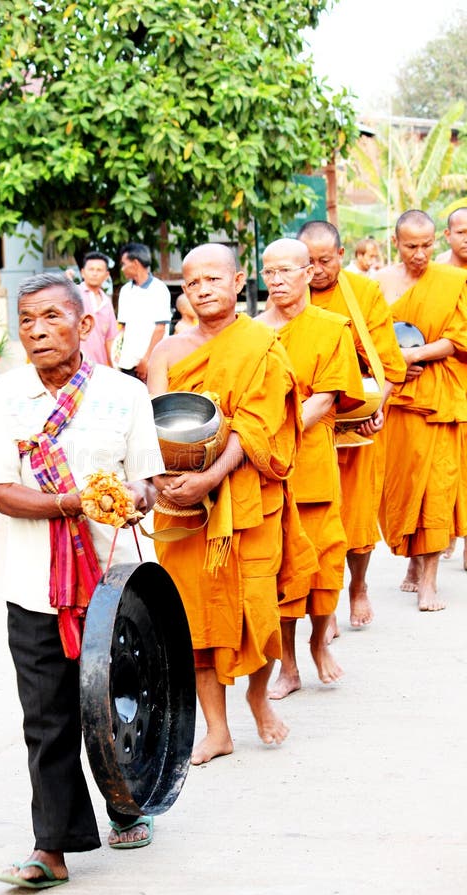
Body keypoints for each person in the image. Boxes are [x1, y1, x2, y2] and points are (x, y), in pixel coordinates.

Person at [0, 273, 164, 888]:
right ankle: (51, 848)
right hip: (36, 587)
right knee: (47, 717)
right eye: (27, 319)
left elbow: (149, 483)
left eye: (53, 317)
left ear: (85, 326)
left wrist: (132, 494)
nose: (37, 330)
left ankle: (128, 802)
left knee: (115, 701)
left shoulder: (123, 395)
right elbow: (2, 492)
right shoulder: (4, 397)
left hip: (111, 585)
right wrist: (69, 504)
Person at [147, 243, 316, 765]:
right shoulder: (168, 352)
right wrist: (160, 480)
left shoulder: (262, 344)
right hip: (184, 508)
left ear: (238, 281)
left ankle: (259, 696)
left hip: (247, 500)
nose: (202, 289)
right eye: (192, 283)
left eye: (213, 279)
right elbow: (150, 424)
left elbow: (259, 426)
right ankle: (217, 730)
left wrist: (213, 476)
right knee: (194, 621)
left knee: (259, 611)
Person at [256, 239, 364, 699]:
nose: (277, 280)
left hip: (311, 458)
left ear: (308, 273)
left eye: (286, 271)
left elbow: (324, 398)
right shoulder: (252, 331)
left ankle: (320, 642)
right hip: (266, 467)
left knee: (321, 564)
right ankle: (289, 667)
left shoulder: (331, 327)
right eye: (269, 272)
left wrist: (277, 431)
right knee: (278, 570)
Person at [297, 221, 406, 630]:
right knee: (314, 518)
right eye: (309, 261)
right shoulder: (292, 296)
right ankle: (325, 602)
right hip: (310, 424)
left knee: (357, 517)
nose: (318, 269)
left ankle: (358, 585)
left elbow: (388, 365)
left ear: (341, 255)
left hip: (357, 420)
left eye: (325, 260)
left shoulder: (364, 295)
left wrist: (379, 408)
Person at [376, 210, 467, 610]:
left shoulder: (453, 280)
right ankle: (412, 561)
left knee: (436, 486)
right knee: (403, 484)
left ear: (437, 240)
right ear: (397, 243)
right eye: (411, 246)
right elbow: (370, 336)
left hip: (437, 396)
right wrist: (394, 359)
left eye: (428, 245)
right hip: (396, 396)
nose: (420, 253)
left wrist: (416, 353)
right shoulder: (380, 283)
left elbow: (456, 338)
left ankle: (429, 578)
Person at [437, 208, 467, 568]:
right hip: (446, 378)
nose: (466, 237)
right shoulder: (436, 274)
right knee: (446, 464)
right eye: (461, 231)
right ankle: (442, 529)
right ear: (447, 235)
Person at [115, 242, 172, 382]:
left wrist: (146, 361)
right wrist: (116, 355)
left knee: (152, 401)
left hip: (151, 363)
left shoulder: (159, 289)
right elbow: (123, 328)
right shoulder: (125, 290)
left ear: (135, 263)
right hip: (127, 364)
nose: (122, 269)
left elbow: (160, 329)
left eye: (124, 264)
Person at [77, 251, 118, 366]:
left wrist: (114, 368)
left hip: (98, 367)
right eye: (91, 269)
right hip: (75, 365)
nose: (94, 273)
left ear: (106, 275)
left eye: (99, 270)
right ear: (82, 272)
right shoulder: (73, 294)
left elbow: (110, 339)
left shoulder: (107, 302)